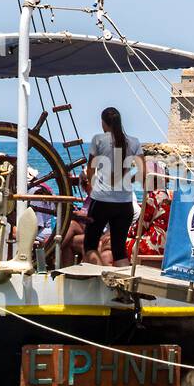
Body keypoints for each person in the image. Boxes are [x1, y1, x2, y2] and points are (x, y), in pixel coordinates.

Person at [81, 107, 143, 267]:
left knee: (90, 246)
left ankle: (99, 281)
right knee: (119, 250)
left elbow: (90, 169)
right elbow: (143, 172)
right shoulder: (134, 142)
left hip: (101, 201)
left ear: (103, 122)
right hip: (125, 204)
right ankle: (125, 287)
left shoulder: (98, 139)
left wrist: (92, 184)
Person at [125, 158, 171, 260]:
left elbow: (139, 228)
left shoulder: (153, 197)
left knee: (114, 242)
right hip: (166, 246)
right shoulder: (167, 195)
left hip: (152, 246)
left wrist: (121, 232)